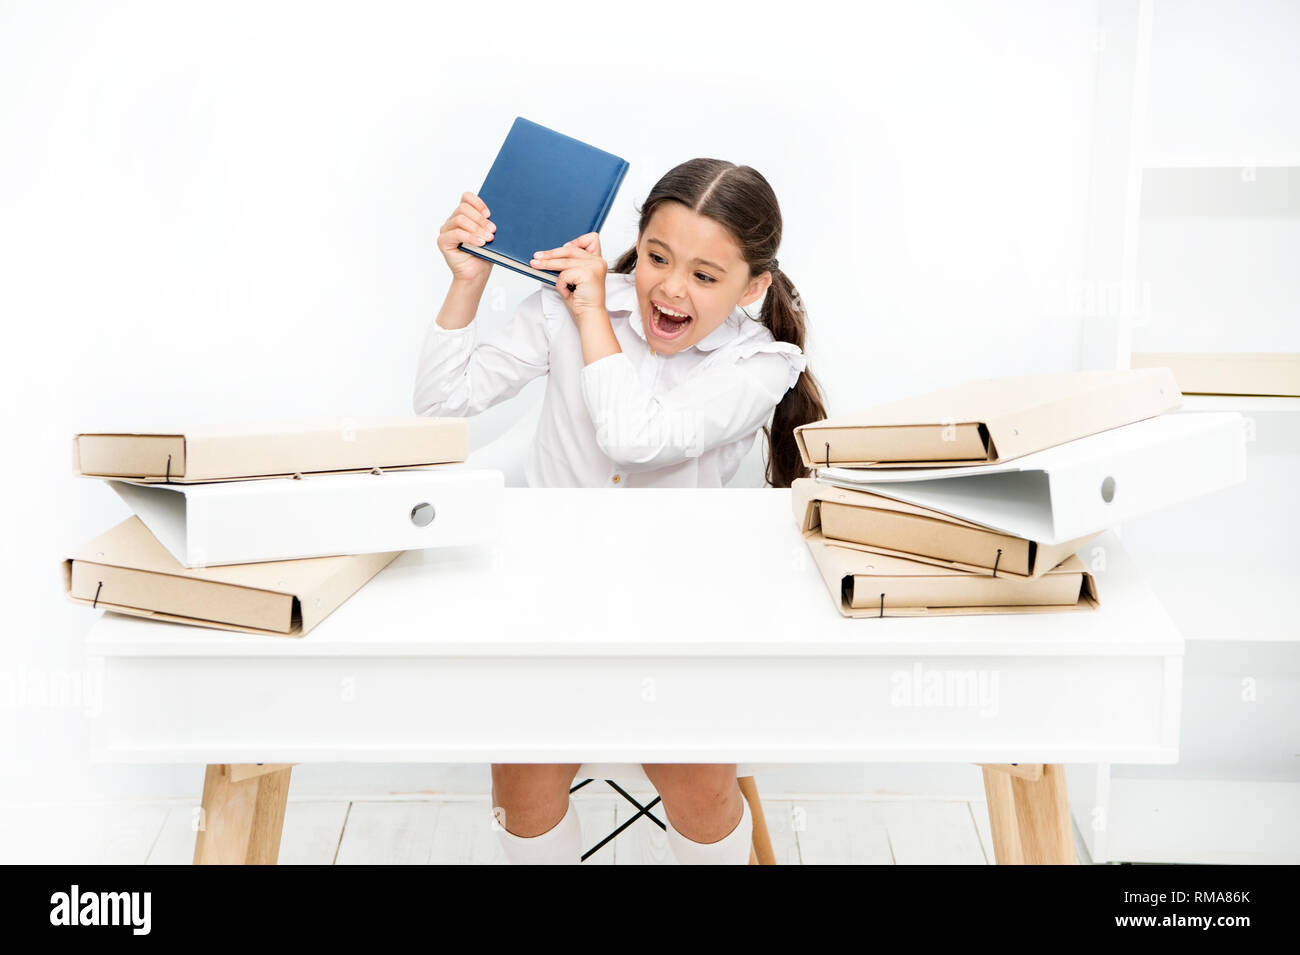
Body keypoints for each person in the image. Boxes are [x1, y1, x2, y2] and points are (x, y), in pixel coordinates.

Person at [414, 157, 828, 863]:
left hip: (680, 609)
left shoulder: (759, 366)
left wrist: (588, 317)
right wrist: (468, 282)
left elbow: (637, 439)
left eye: (704, 276)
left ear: (752, 286)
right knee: (520, 774)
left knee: (699, 777)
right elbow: (441, 403)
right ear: (636, 242)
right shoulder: (568, 304)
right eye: (657, 257)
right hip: (549, 602)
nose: (668, 288)